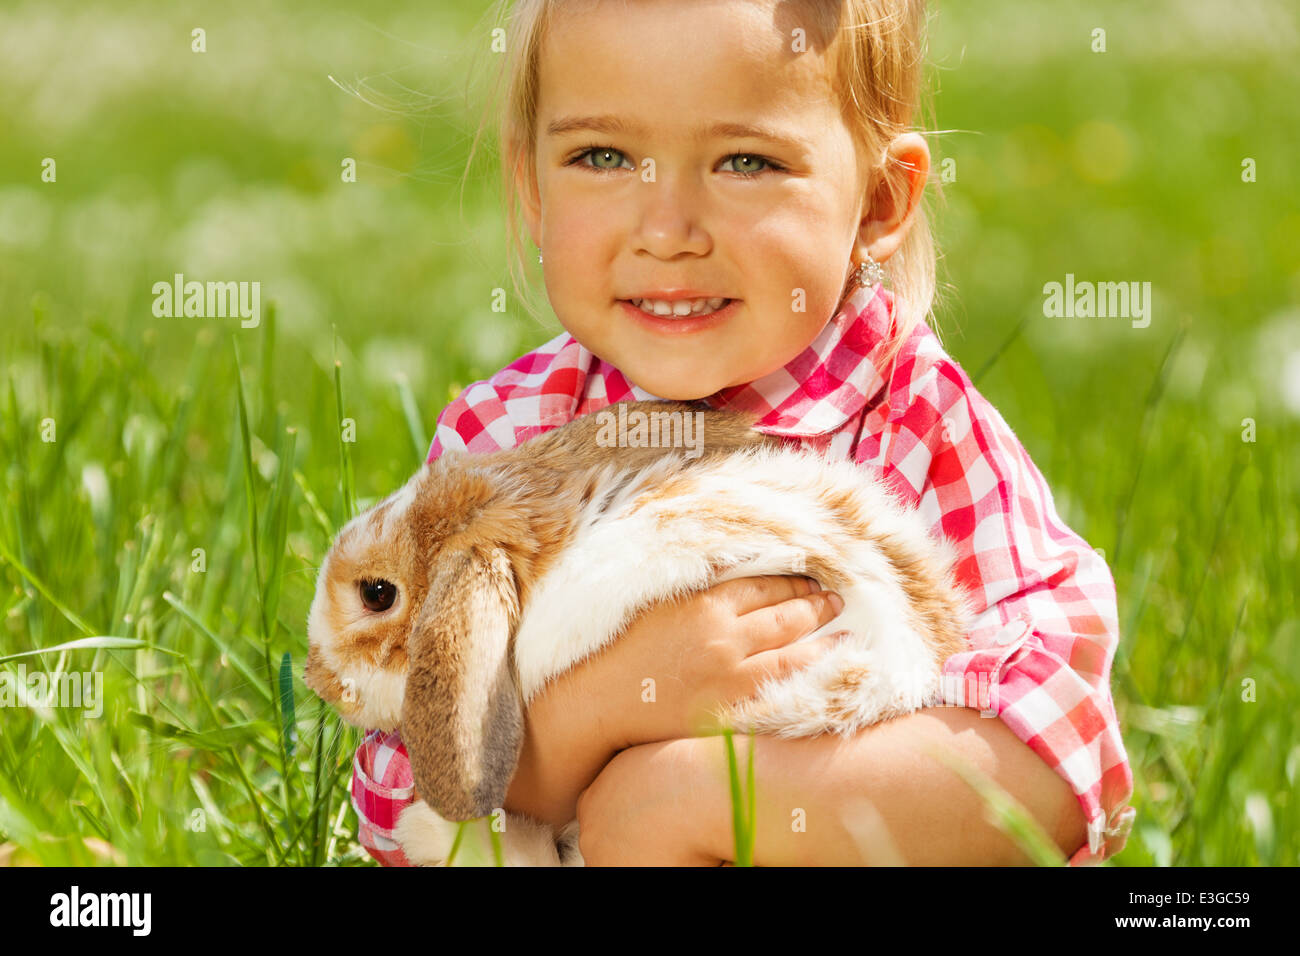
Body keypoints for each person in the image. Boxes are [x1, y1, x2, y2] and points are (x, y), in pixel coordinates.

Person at [348, 0, 1135, 865]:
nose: (667, 231)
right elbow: (396, 797)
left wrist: (695, 801)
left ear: (878, 200)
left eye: (746, 161)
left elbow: (1059, 769)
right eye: (602, 157)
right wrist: (607, 702)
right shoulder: (505, 435)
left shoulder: (912, 420)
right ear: (533, 186)